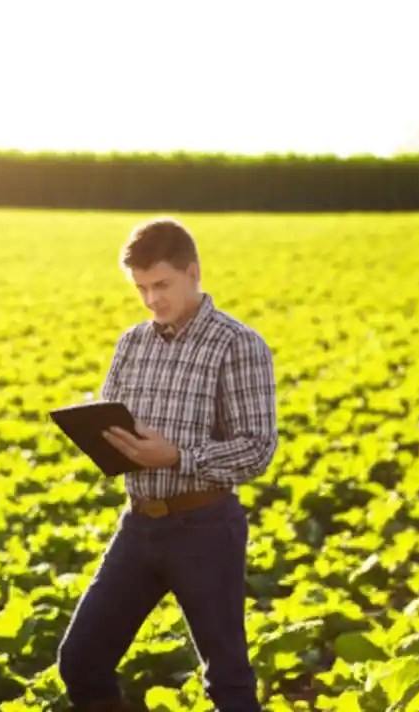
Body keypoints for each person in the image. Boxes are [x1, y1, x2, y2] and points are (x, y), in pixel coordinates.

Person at [56, 218, 279, 712]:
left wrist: (177, 455)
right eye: (141, 288)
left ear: (193, 271)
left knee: (228, 681)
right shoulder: (132, 343)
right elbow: (115, 420)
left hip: (205, 527)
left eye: (161, 285)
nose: (152, 299)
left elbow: (258, 450)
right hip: (138, 525)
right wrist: (100, 438)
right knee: (81, 659)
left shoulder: (238, 345)